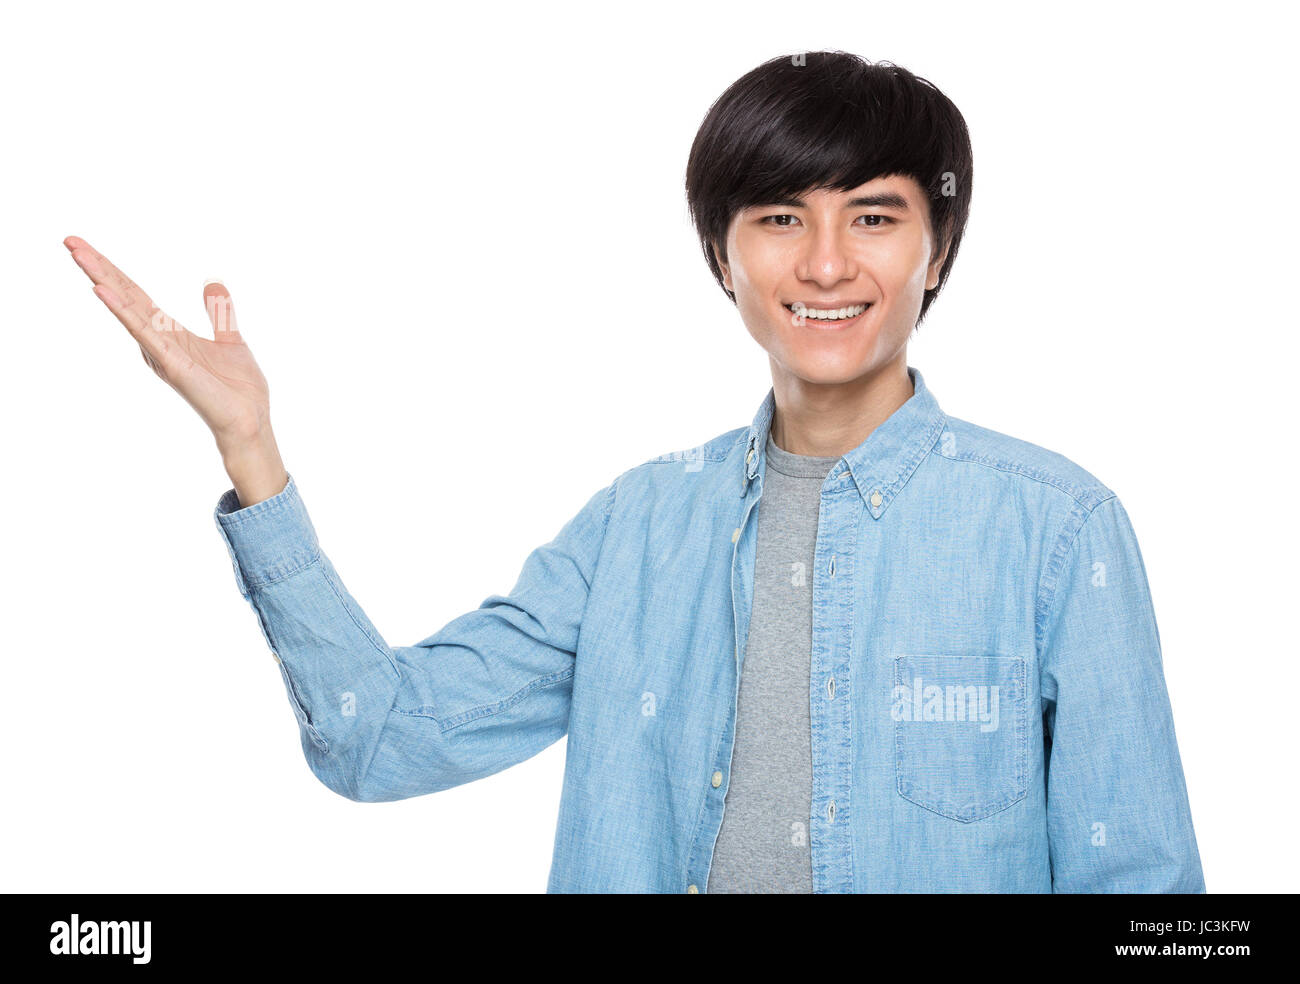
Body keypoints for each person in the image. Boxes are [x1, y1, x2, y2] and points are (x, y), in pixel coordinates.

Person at [63, 50, 1204, 894]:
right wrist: (251, 449)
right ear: (722, 254)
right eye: (776, 218)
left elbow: (1144, 896)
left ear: (935, 250)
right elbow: (379, 738)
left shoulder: (1055, 529)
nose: (822, 263)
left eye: (871, 217)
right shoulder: (637, 529)